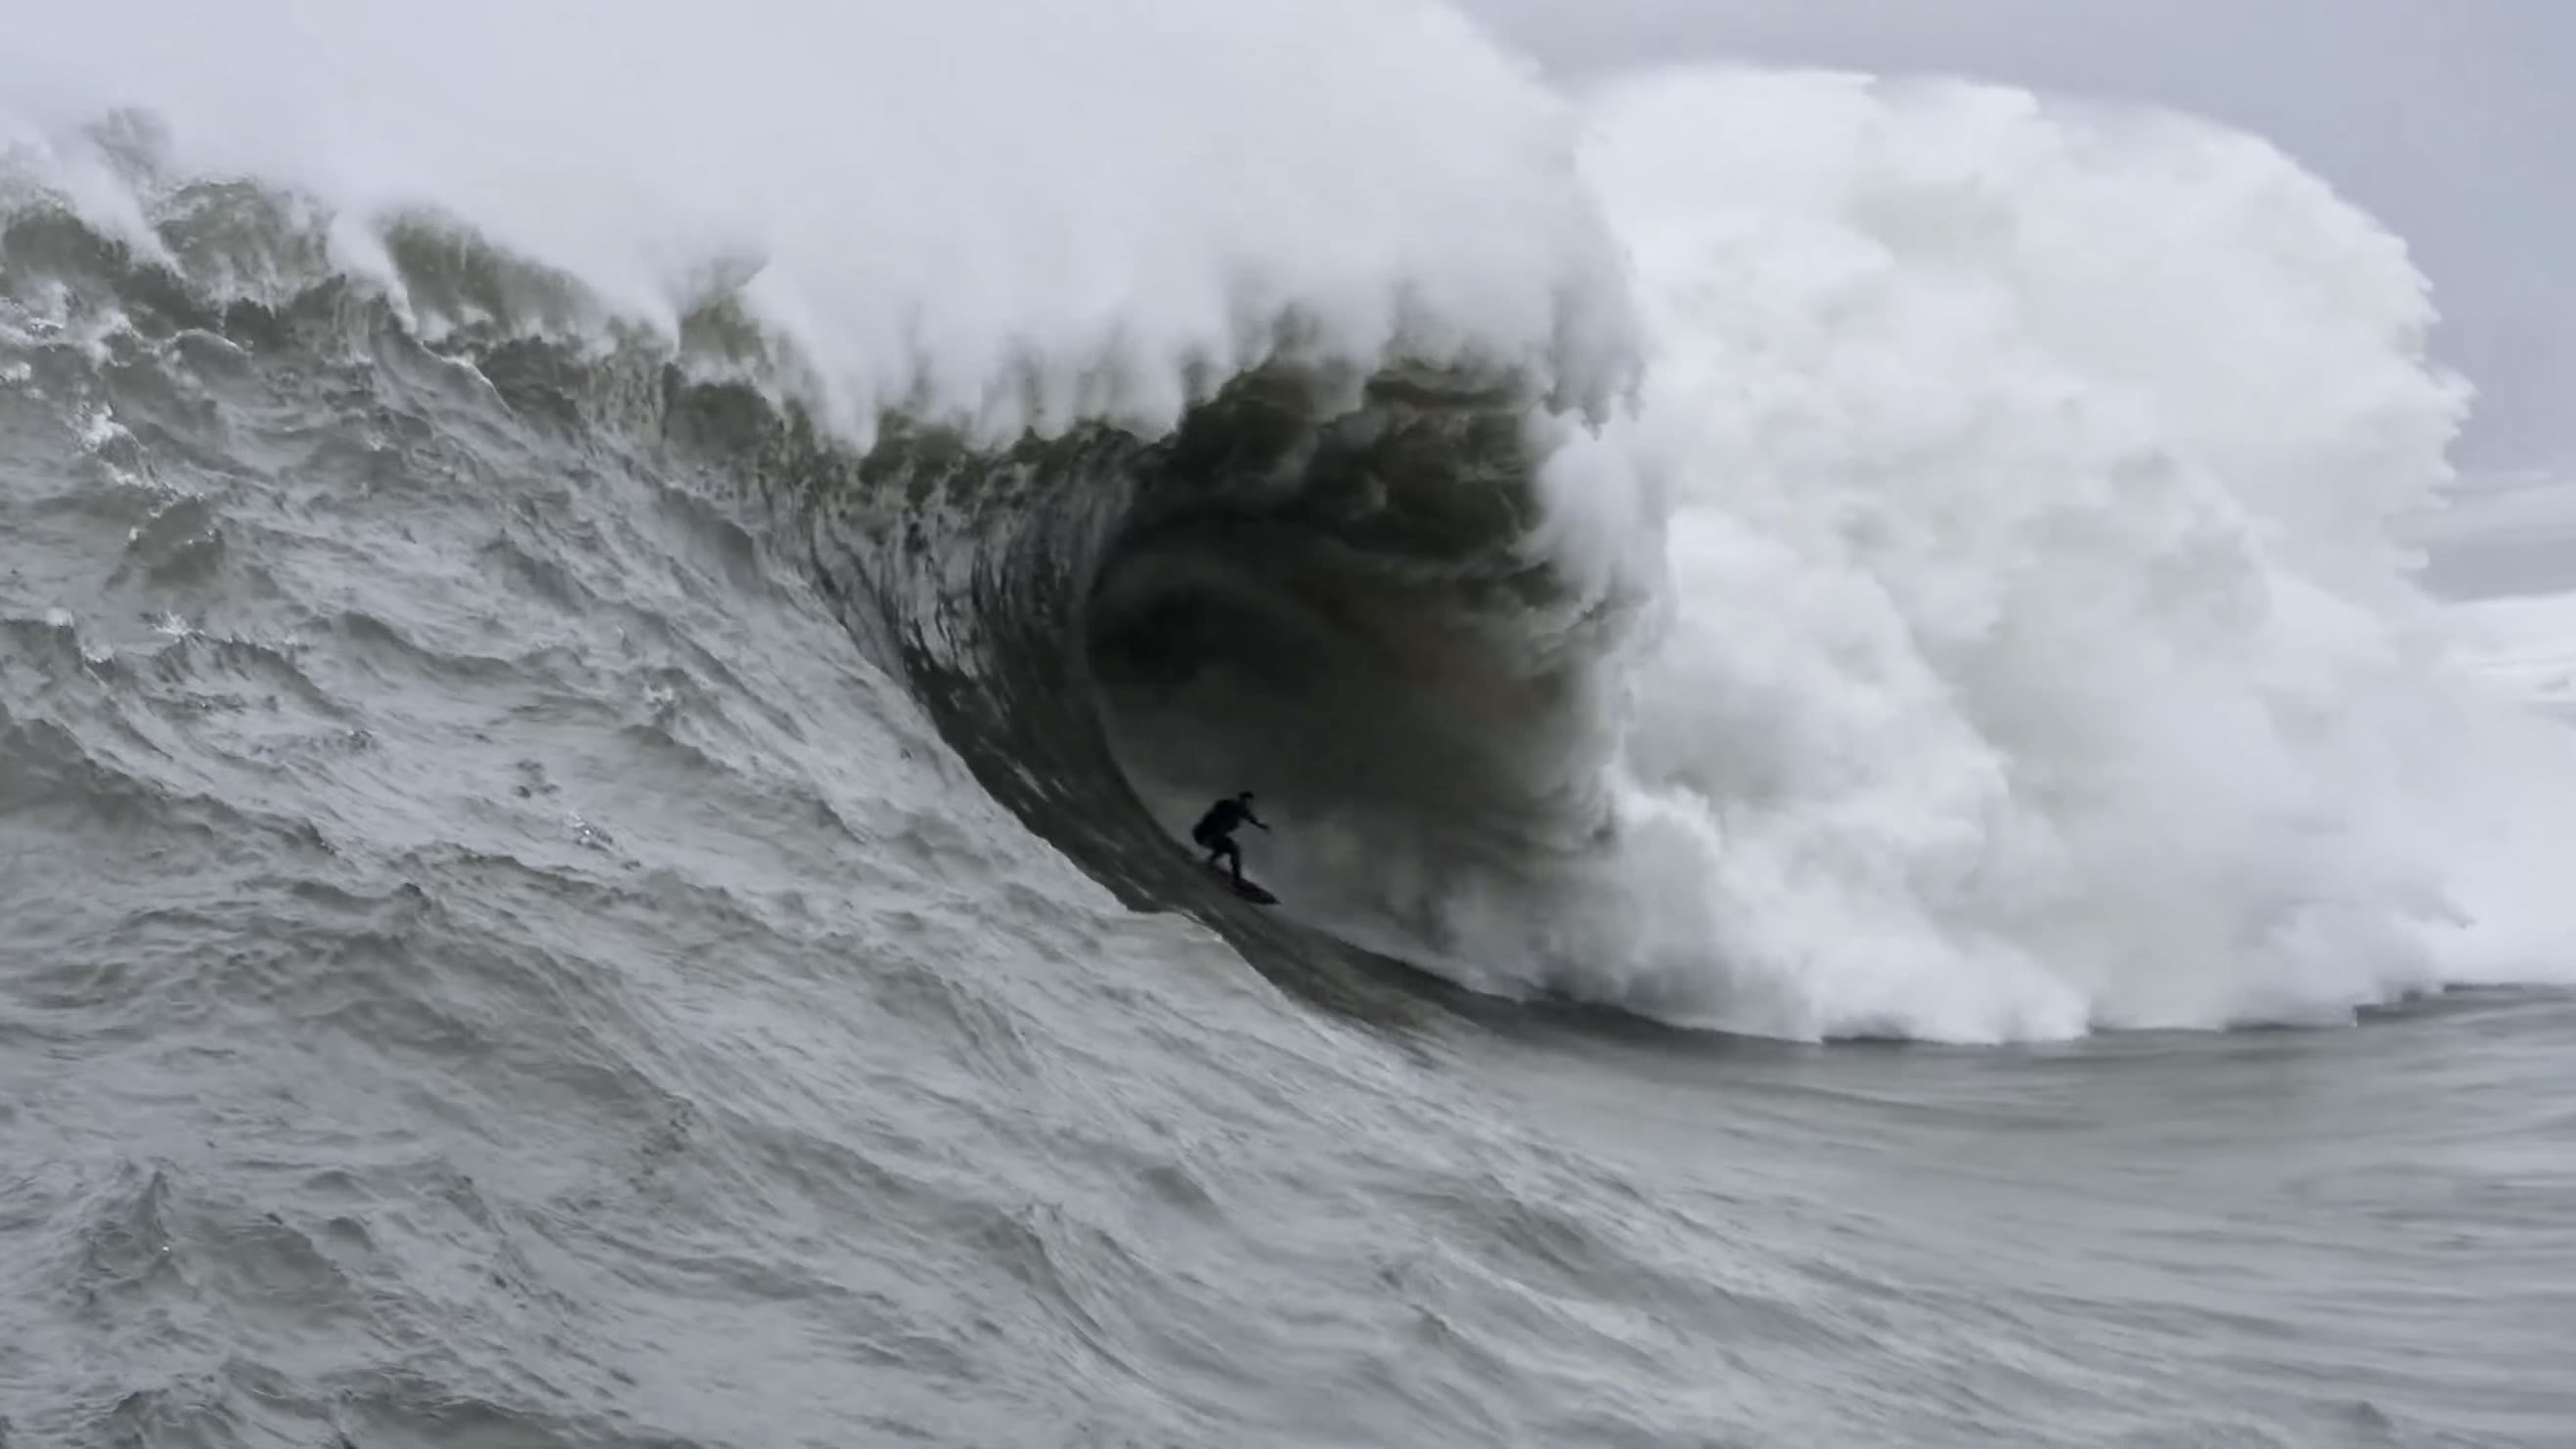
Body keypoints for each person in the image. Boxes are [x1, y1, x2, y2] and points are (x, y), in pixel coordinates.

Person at [1190, 791, 1268, 885]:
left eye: (1249, 803)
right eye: (1245, 802)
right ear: (1240, 800)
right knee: (1233, 848)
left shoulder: (1236, 808)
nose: (1247, 806)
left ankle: (1210, 862)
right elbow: (1249, 816)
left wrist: (1262, 826)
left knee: (1228, 845)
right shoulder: (1232, 806)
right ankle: (1236, 880)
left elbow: (1251, 818)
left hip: (1206, 835)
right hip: (1204, 835)